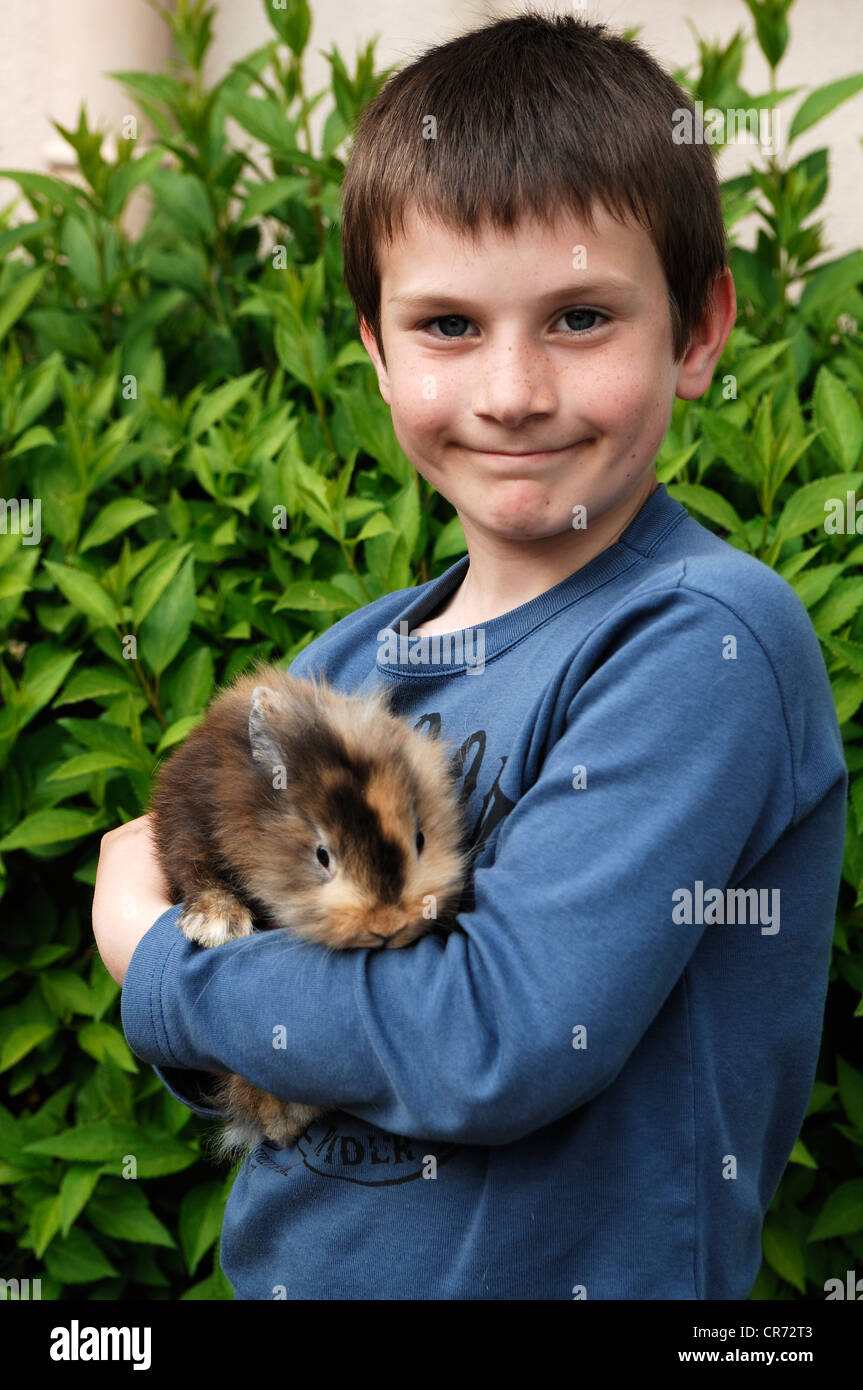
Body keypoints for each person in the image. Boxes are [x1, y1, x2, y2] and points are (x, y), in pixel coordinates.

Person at [93, 10, 848, 1299]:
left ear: (701, 332)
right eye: (446, 325)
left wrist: (161, 961)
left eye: (580, 318)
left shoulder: (701, 641)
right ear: (376, 354)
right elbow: (257, 1057)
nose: (511, 390)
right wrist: (200, 964)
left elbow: (498, 1039)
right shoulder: (346, 662)